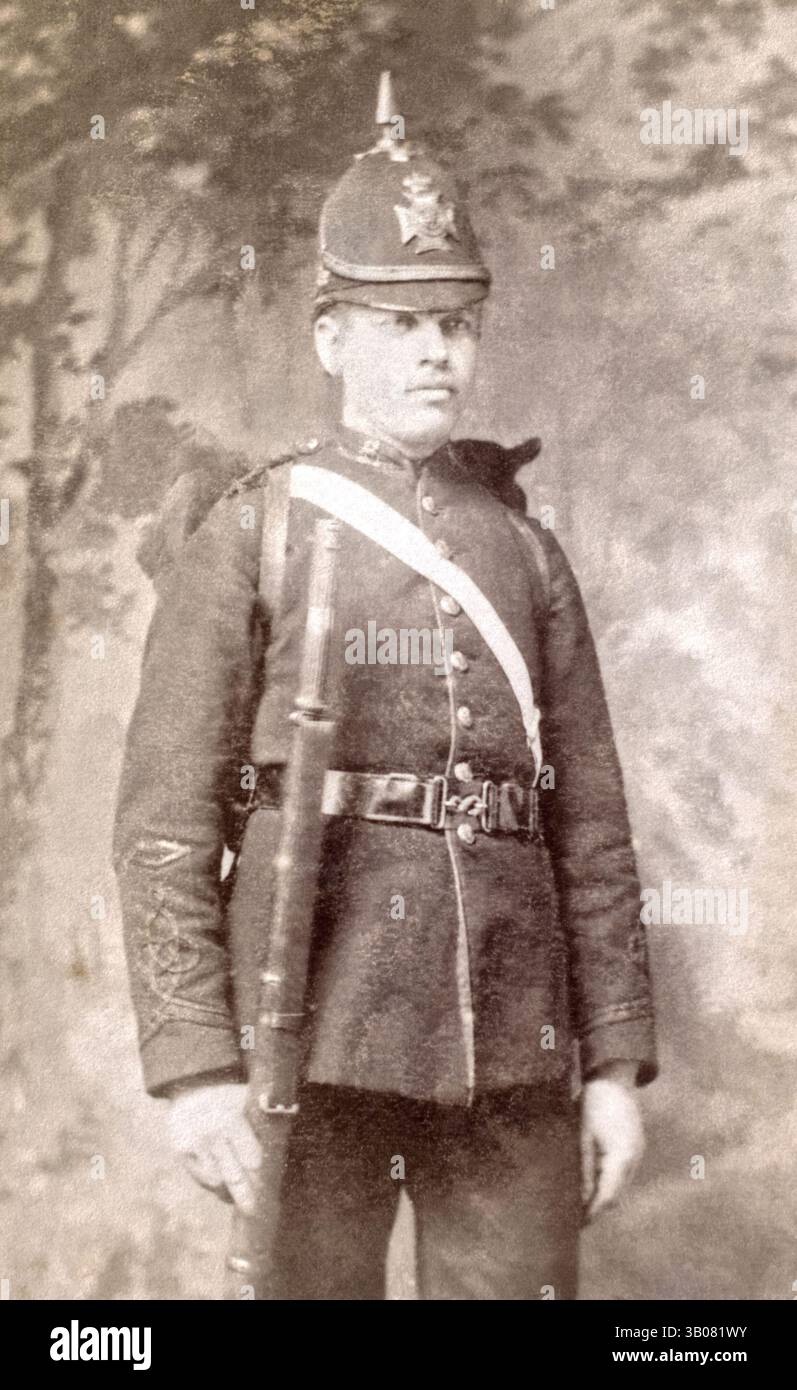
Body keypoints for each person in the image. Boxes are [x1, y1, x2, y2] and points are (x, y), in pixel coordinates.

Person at [113, 73, 657, 1300]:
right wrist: (197, 1067)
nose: (433, 350)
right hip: (307, 1032)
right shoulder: (251, 531)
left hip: (515, 1041)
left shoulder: (522, 551)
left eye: (454, 324)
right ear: (331, 337)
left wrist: (612, 1065)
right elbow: (161, 826)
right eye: (400, 321)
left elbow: (592, 825)